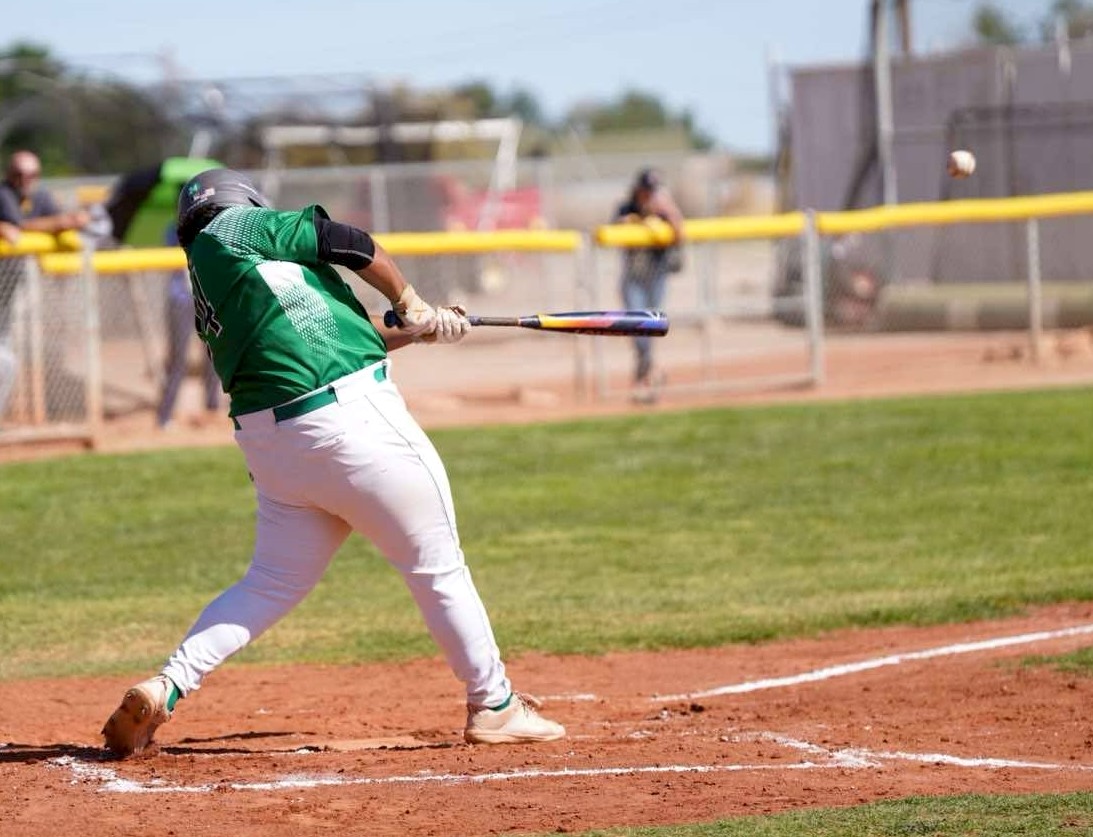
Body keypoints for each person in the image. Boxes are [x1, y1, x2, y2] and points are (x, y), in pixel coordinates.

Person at [100, 168, 565, 757]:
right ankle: (494, 705)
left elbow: (339, 338)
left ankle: (168, 684)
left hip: (277, 450)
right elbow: (350, 241)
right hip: (353, 424)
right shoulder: (236, 228)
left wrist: (419, 329)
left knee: (270, 583)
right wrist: (409, 300)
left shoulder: (213, 279)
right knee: (438, 567)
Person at [0, 151, 91, 422]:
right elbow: (19, 226)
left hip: (9, 294)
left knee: (8, 360)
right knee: (7, 362)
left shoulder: (39, 197)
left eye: (32, 175)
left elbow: (60, 222)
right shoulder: (4, 194)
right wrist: (61, 223)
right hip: (7, 287)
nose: (26, 180)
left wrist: (68, 222)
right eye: (20, 174)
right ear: (9, 174)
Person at [614, 168, 685, 404]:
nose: (648, 195)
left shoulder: (663, 211)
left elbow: (680, 234)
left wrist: (669, 211)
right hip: (633, 278)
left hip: (656, 277)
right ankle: (651, 373)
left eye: (652, 191)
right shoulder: (627, 208)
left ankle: (644, 380)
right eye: (645, 191)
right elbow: (613, 229)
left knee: (649, 328)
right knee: (638, 329)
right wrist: (633, 221)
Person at [155, 224, 222, 429]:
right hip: (182, 299)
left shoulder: (214, 228)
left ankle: (212, 409)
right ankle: (165, 415)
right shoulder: (173, 231)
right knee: (178, 358)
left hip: (207, 298)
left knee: (212, 354)